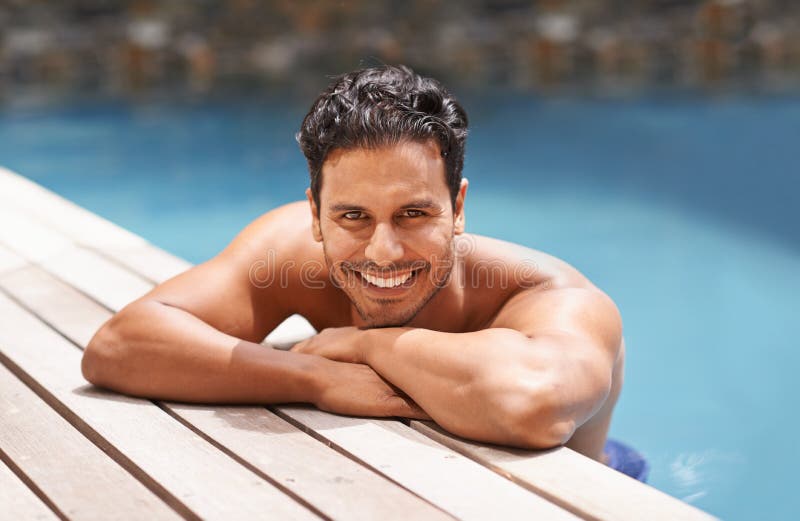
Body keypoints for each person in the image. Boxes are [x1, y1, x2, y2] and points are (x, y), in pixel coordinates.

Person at [82, 65, 647, 481]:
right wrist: (317, 379)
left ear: (459, 209)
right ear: (315, 214)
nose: (383, 251)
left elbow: (532, 404)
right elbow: (120, 344)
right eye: (353, 216)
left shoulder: (546, 294)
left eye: (414, 214)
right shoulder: (290, 254)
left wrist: (361, 343)